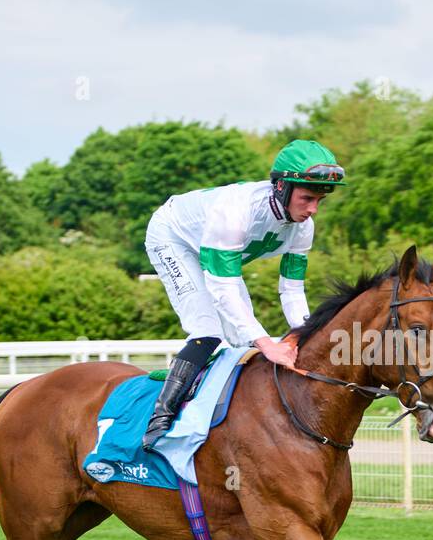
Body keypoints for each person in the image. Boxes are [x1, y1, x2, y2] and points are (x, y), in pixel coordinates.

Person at [140, 139, 346, 449]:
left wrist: (306, 333)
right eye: (306, 199)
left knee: (240, 339)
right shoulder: (235, 212)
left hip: (218, 255)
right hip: (174, 238)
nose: (313, 209)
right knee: (208, 329)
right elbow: (223, 289)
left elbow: (291, 290)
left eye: (319, 200)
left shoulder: (303, 228)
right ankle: (159, 422)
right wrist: (268, 345)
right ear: (280, 187)